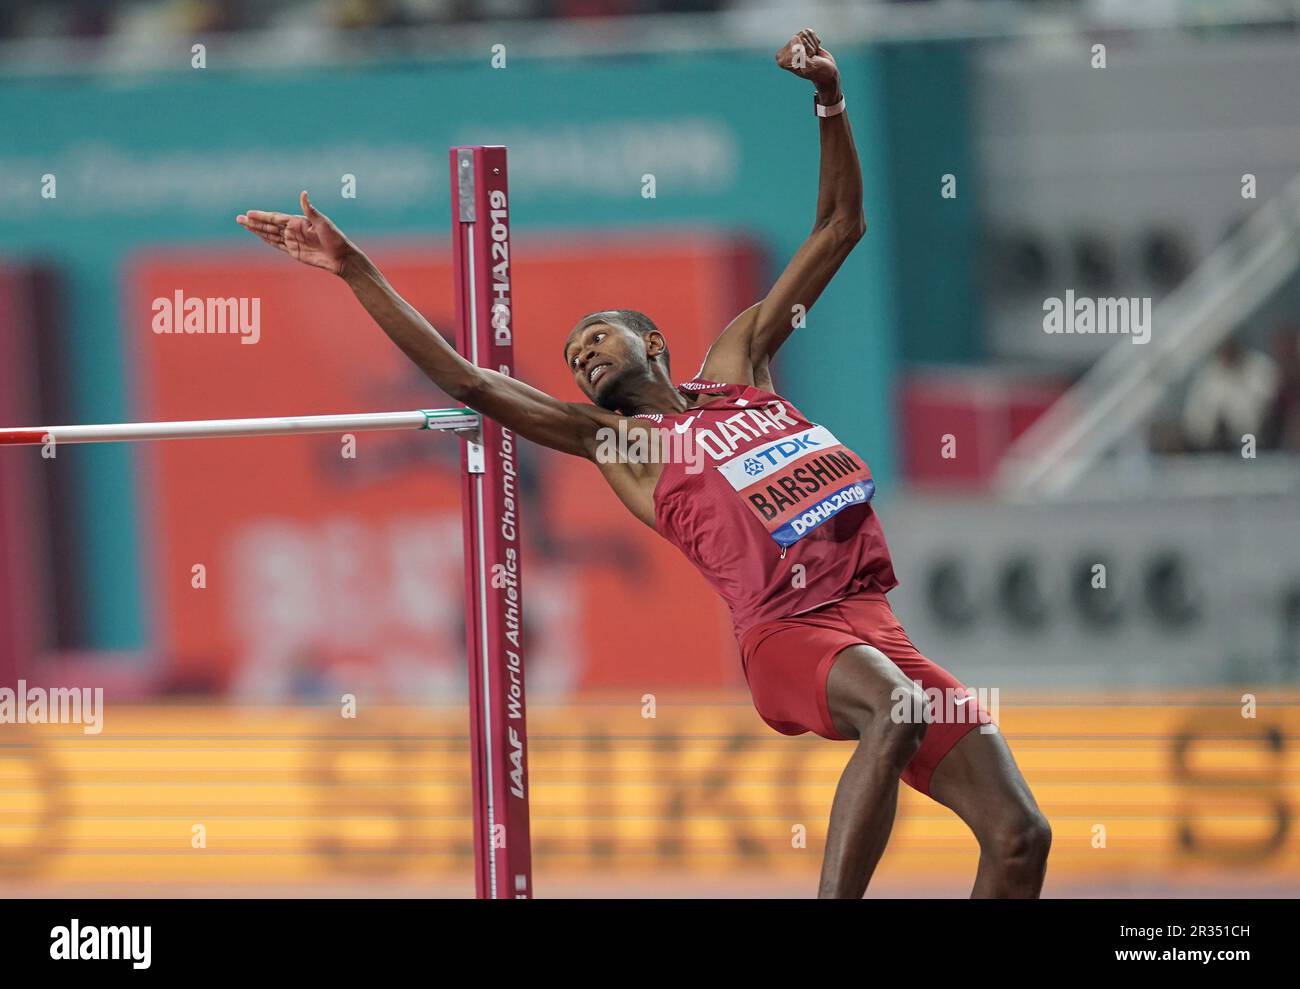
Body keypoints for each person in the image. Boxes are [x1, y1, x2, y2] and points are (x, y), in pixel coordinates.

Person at [237, 28, 1050, 898]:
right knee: (894, 710)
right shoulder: (617, 444)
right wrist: (354, 267)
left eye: (597, 335)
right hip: (788, 635)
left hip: (873, 621)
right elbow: (466, 379)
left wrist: (830, 98)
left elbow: (843, 225)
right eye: (573, 353)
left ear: (654, 343)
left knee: (1019, 835)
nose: (583, 354)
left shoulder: (739, 364)